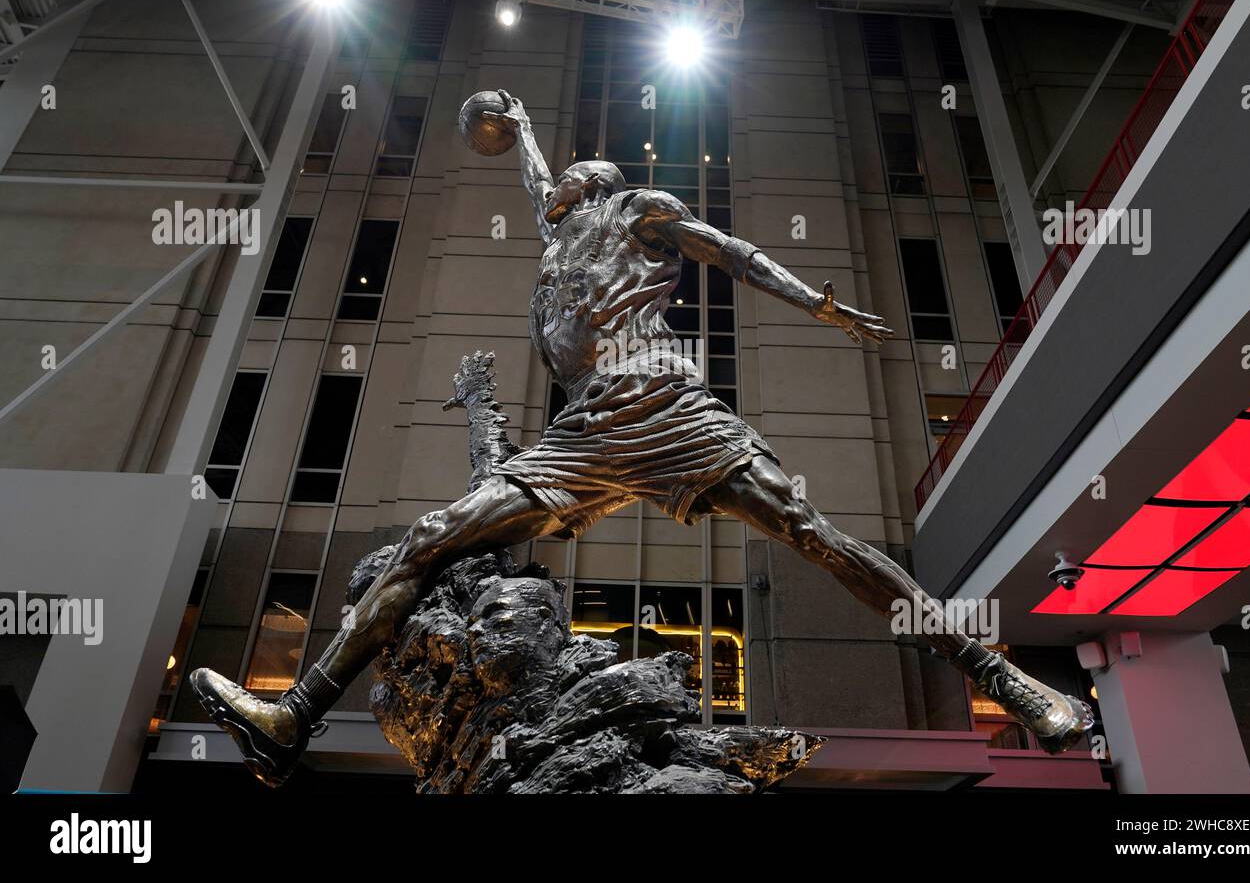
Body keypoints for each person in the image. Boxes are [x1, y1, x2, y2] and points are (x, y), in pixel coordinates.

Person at [192, 91, 1091, 787]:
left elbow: (727, 250)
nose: (562, 184)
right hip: (584, 434)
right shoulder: (560, 229)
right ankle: (293, 719)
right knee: (429, 539)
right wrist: (521, 122)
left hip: (666, 405)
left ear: (608, 180)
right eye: (564, 177)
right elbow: (536, 178)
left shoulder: (637, 210)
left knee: (814, 536)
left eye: (581, 173)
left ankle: (1004, 680)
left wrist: (812, 300)